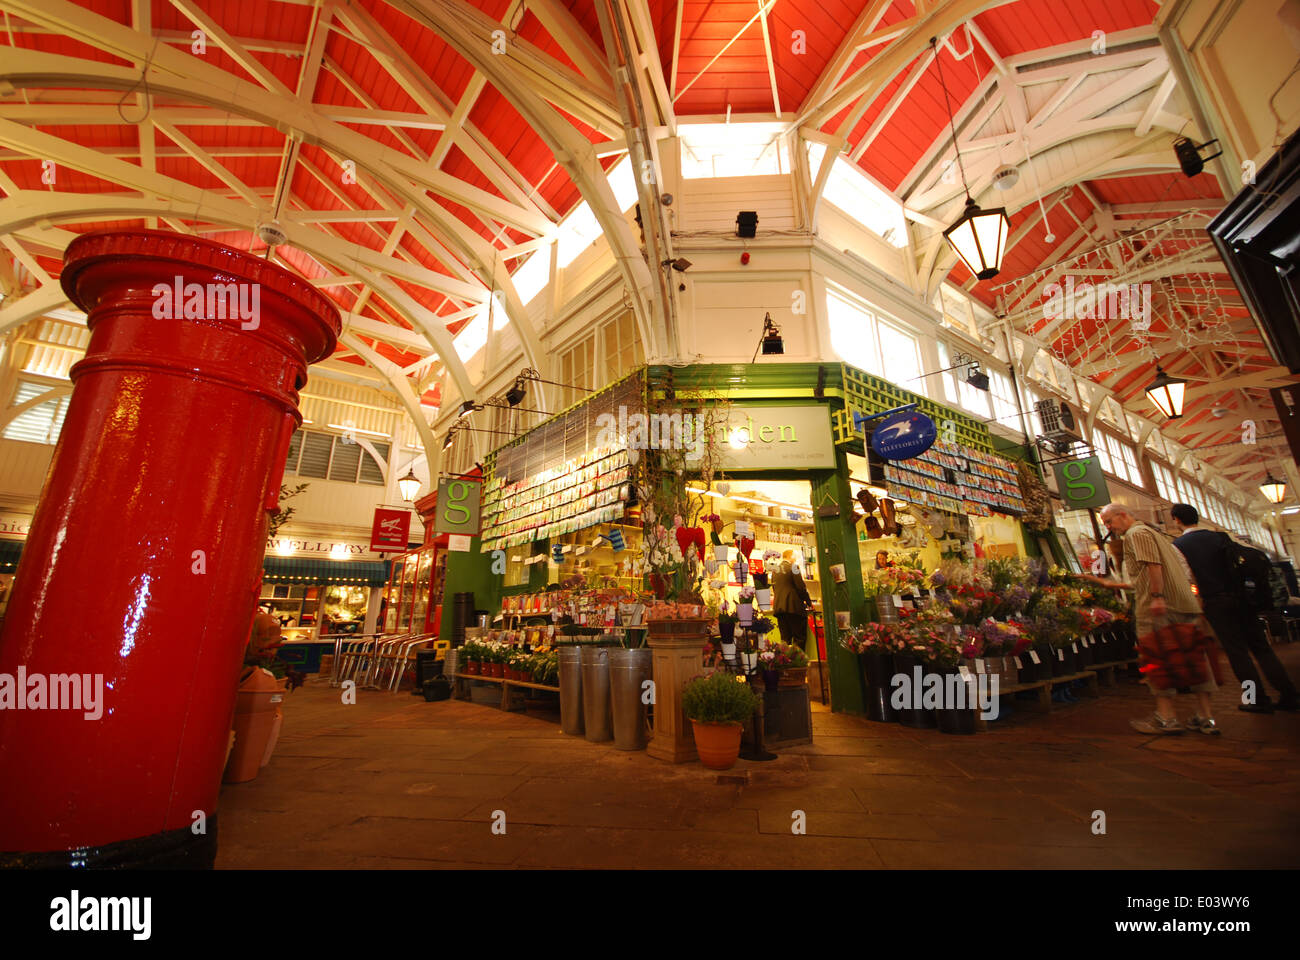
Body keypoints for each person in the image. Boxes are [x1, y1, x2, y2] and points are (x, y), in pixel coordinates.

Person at [1095, 503, 1220, 735]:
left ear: (1123, 515)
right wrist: (1109, 584)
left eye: (1109, 522)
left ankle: (1166, 717)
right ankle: (1205, 717)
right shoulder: (1157, 534)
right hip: (1184, 604)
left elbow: (1154, 566)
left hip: (1159, 609)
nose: (1109, 528)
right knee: (1195, 659)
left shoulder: (1136, 533)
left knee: (1156, 659)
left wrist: (1157, 597)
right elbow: (1150, 574)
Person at [1169, 504, 1298, 713]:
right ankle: (1289, 695)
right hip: (1243, 599)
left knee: (1237, 653)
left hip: (1216, 603)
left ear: (1176, 520)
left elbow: (1186, 577)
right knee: (1261, 648)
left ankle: (1255, 699)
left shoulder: (1180, 545)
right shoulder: (1221, 537)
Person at [771, 557, 811, 648]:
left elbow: (774, 588)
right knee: (799, 638)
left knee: (785, 640)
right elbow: (801, 587)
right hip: (794, 608)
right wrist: (808, 601)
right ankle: (798, 661)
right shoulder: (794, 567)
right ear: (791, 557)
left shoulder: (775, 570)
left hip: (779, 609)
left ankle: (786, 661)